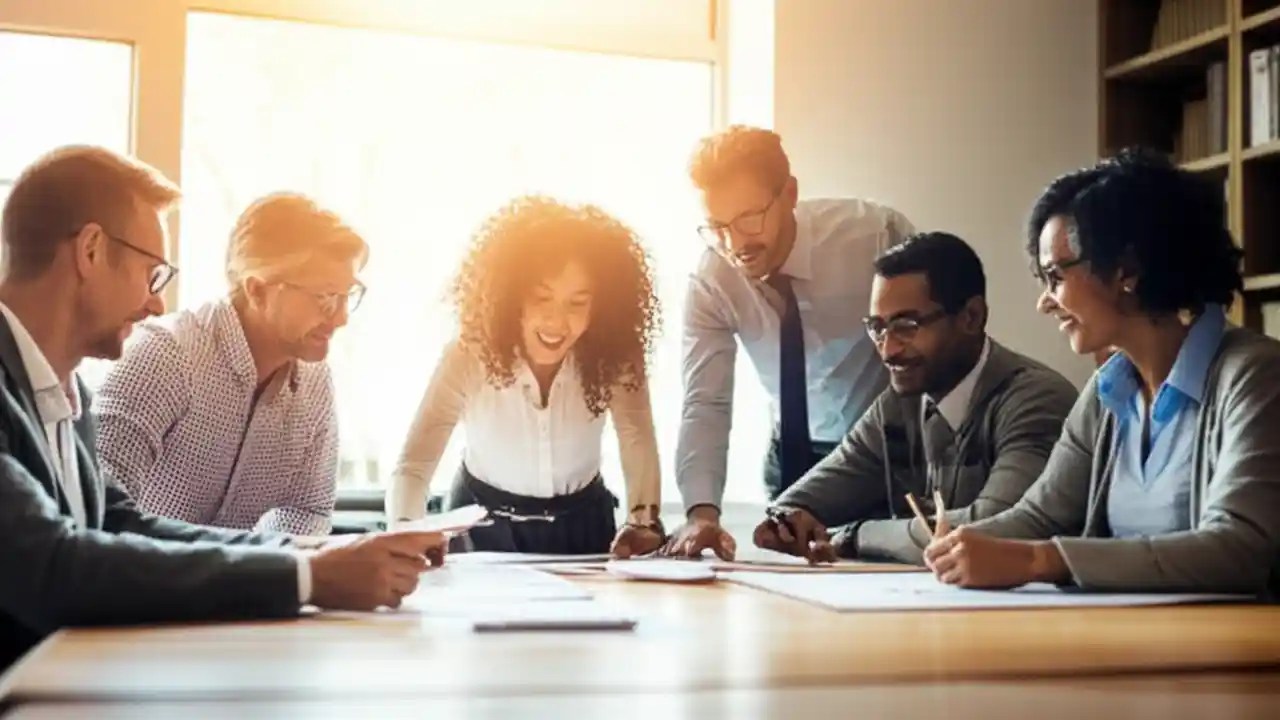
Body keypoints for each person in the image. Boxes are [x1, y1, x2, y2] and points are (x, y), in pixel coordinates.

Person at [0, 146, 444, 670]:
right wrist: (309, 578)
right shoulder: (158, 358)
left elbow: (121, 525)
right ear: (91, 250)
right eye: (152, 273)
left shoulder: (66, 395)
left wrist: (312, 556)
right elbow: (53, 565)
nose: (156, 302)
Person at [923, 149, 1280, 598]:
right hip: (1127, 640)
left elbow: (1239, 550)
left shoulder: (1256, 376)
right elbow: (1040, 516)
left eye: (1054, 276)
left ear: (1125, 270)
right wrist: (958, 545)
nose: (1044, 301)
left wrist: (1038, 560)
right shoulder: (1108, 388)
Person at [665, 125, 916, 559]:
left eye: (749, 218)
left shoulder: (876, 236)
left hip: (887, 456)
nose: (734, 243)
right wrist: (701, 513)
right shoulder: (712, 281)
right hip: (792, 459)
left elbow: (935, 342)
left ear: (790, 194)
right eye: (717, 226)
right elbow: (706, 402)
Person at [750, 232, 1076, 564]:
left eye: (907, 325)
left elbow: (994, 532)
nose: (888, 349)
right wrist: (787, 523)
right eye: (878, 328)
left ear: (971, 317)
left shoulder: (1036, 402)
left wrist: (854, 536)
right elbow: (798, 503)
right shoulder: (900, 403)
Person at [386, 196, 664, 557]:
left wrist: (643, 522)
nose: (557, 322)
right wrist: (404, 535)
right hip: (481, 525)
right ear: (510, 296)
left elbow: (636, 438)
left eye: (577, 303)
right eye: (541, 298)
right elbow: (413, 465)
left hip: (584, 526)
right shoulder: (467, 355)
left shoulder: (616, 357)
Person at [93, 193, 366, 535]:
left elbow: (308, 509)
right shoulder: (165, 354)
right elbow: (98, 507)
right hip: (140, 580)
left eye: (347, 295)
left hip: (238, 583)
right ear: (257, 290)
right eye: (325, 298)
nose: (341, 318)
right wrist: (228, 567)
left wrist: (264, 567)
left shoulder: (315, 383)